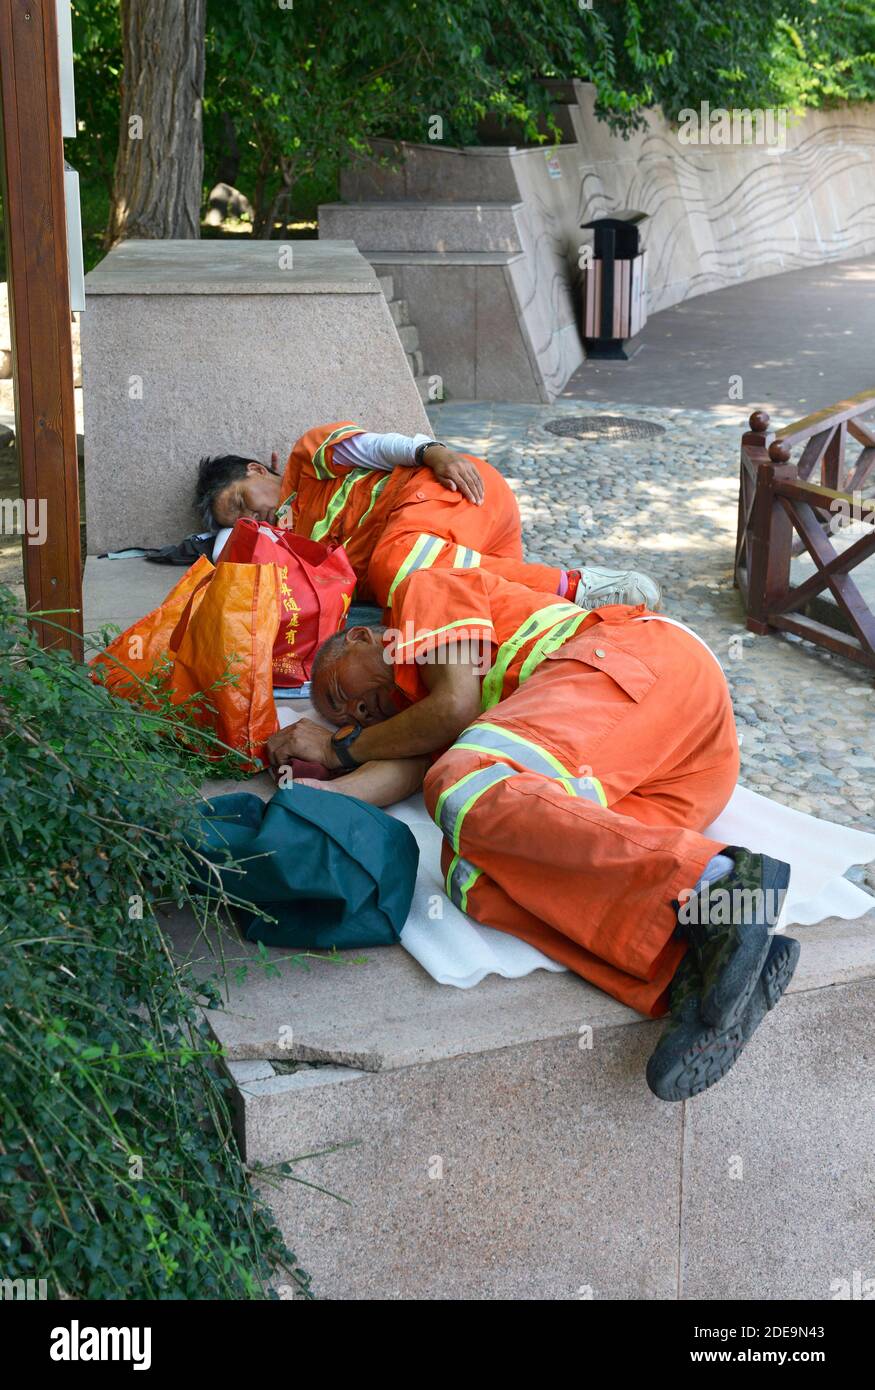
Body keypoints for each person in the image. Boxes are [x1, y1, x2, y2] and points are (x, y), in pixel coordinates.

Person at [265, 566, 798, 1102]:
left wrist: (338, 747)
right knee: (471, 867)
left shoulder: (424, 593)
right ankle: (697, 960)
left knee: (461, 784)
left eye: (343, 692)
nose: (358, 712)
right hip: (680, 769)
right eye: (347, 718)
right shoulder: (416, 719)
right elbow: (410, 761)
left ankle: (720, 882)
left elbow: (453, 711)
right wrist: (309, 802)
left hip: (643, 665)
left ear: (362, 636)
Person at [195, 421, 661, 610]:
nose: (252, 514)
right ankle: (581, 609)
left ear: (257, 469)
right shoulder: (285, 549)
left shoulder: (306, 460)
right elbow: (225, 560)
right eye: (237, 520)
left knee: (393, 564)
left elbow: (376, 445)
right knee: (434, 619)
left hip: (451, 492)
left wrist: (434, 453)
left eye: (241, 501)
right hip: (470, 554)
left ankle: (578, 585)